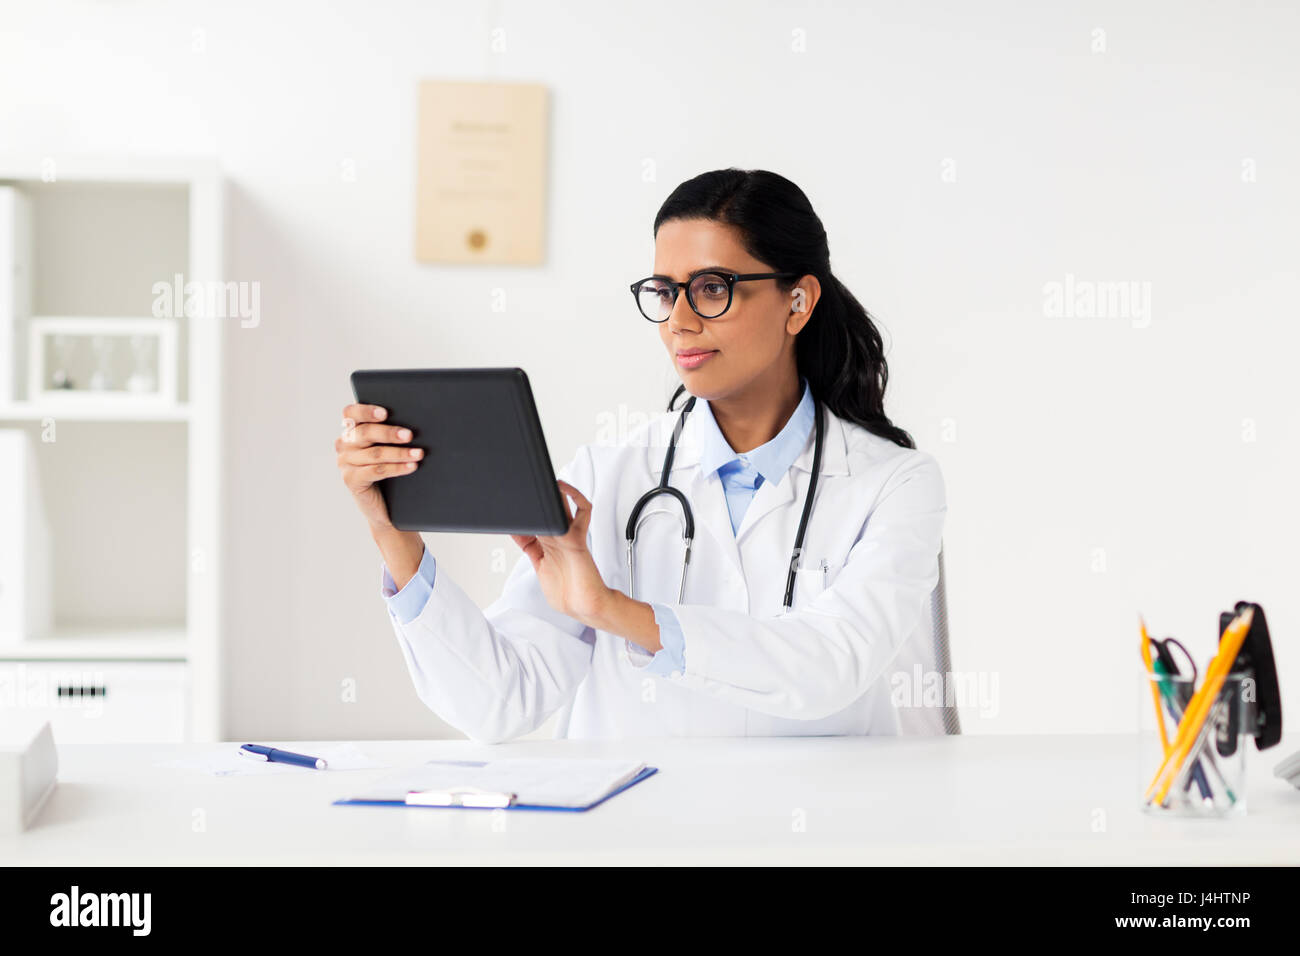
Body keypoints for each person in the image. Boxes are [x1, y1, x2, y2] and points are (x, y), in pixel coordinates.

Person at [336, 168, 946, 742]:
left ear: (798, 302)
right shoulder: (606, 477)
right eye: (665, 291)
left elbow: (831, 664)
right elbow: (500, 702)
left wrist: (612, 611)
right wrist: (394, 536)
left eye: (712, 288)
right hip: (635, 835)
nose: (678, 321)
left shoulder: (894, 484)